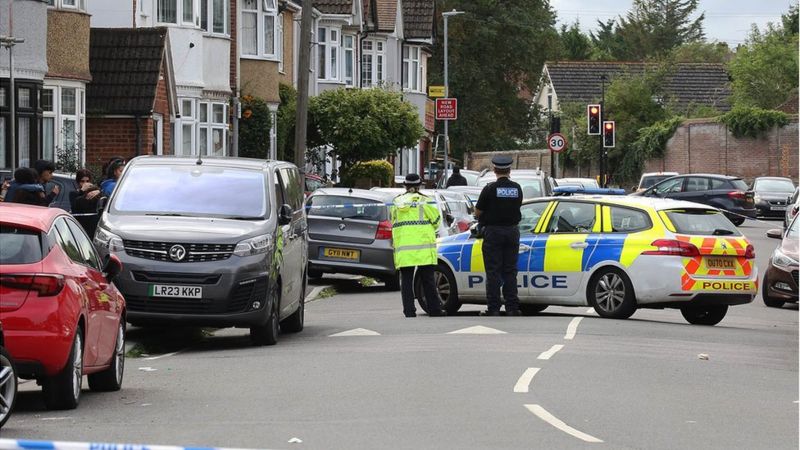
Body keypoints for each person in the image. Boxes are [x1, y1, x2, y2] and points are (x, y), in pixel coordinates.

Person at [390, 174, 446, 318]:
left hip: (404, 248)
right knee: (428, 280)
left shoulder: (396, 202)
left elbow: (393, 221)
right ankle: (434, 310)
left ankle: (409, 311)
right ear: (419, 185)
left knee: (406, 280)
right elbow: (436, 221)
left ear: (405, 185)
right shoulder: (425, 201)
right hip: (423, 247)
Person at [474, 155, 523, 316]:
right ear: (509, 170)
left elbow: (478, 212)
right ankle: (512, 307)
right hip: (512, 232)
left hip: (493, 232)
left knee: (493, 271)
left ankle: (494, 308)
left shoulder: (489, 189)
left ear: (494, 170)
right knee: (510, 271)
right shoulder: (517, 188)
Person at [70, 169, 103, 237]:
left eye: (87, 181)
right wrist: (82, 190)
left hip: (92, 225)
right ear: (78, 182)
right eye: (82, 181)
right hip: (80, 225)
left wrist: (99, 192)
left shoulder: (94, 192)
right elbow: (74, 206)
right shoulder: (73, 193)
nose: (85, 184)